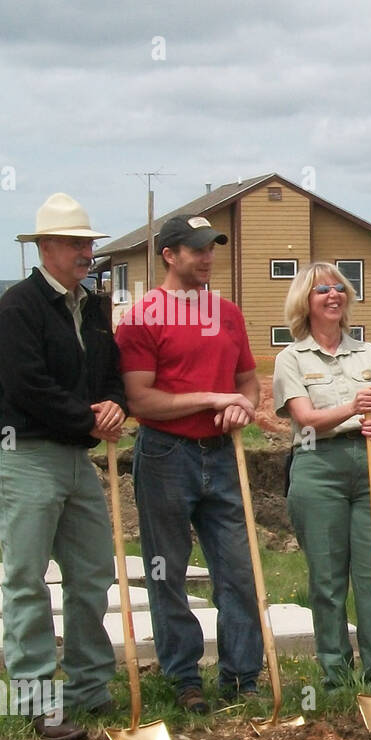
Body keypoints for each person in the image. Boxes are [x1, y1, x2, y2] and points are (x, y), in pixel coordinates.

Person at [0, 193, 124, 740]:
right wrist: (89, 420)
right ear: (44, 247)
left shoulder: (93, 306)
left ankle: (89, 687)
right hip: (25, 456)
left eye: (89, 243)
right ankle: (38, 699)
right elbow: (26, 385)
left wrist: (114, 405)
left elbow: (110, 372)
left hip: (75, 457)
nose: (87, 252)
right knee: (26, 580)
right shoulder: (17, 309)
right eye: (75, 243)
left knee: (92, 573)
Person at [115, 215, 262, 714]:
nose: (207, 257)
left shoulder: (228, 314)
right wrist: (209, 398)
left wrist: (241, 403)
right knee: (167, 570)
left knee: (238, 571)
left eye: (212, 248)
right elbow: (140, 400)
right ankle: (184, 679)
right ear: (169, 255)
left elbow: (248, 381)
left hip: (223, 454)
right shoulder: (142, 318)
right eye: (196, 249)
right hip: (164, 454)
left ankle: (243, 678)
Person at [272, 263, 371, 690]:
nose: (333, 296)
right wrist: (350, 408)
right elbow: (305, 420)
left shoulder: (368, 352)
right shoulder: (291, 358)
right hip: (317, 465)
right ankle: (335, 676)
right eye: (322, 289)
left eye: (339, 289)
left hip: (370, 467)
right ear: (305, 302)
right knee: (327, 577)